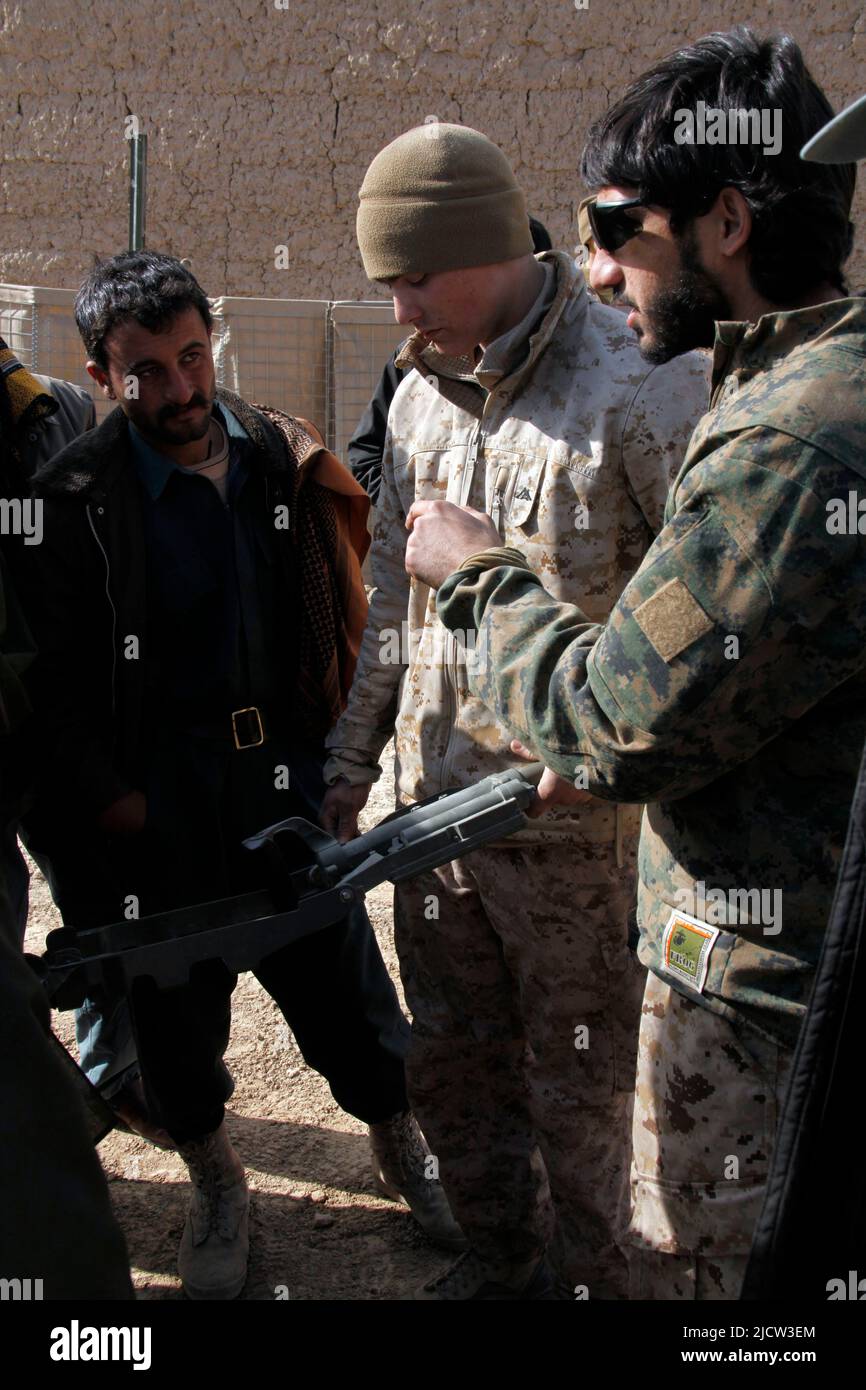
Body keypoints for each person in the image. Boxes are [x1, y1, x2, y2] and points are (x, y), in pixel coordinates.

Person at [400, 27, 865, 1300]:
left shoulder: (787, 443)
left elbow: (615, 720)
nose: (598, 271)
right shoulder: (812, 392)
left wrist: (478, 574)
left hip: (771, 1023)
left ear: (722, 219)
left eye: (616, 229)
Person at [17, 251, 463, 1301]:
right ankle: (217, 1177)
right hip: (160, 806)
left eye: (190, 358)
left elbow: (334, 600)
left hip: (282, 778)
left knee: (341, 982)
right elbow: (50, 694)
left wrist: (329, 759)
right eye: (147, 372)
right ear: (100, 373)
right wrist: (118, 805)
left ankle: (404, 1146)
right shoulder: (75, 501)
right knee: (172, 1020)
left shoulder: (270, 454)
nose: (178, 391)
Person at [321, 123, 709, 1299]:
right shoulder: (416, 399)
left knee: (585, 1103)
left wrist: (604, 739)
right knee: (457, 1075)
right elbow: (390, 587)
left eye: (412, 279)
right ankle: (498, 1264)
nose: (398, 311)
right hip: (437, 831)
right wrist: (350, 764)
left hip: (579, 855)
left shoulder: (639, 383)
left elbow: (701, 610)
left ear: (486, 250)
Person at [347, 217, 553, 504]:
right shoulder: (414, 364)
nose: (403, 314)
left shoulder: (587, 368)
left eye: (418, 279)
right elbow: (367, 452)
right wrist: (409, 511)